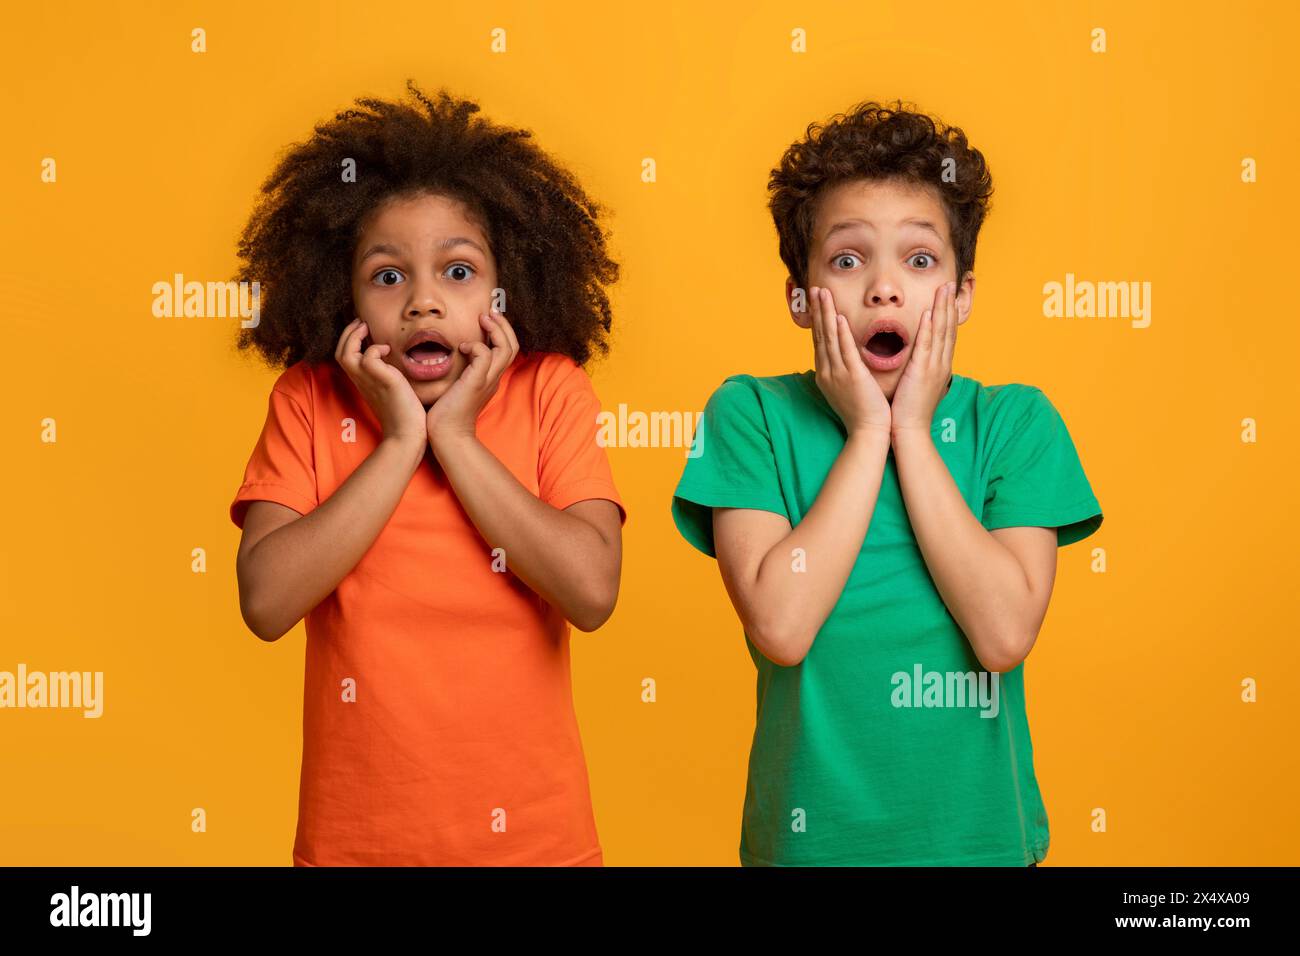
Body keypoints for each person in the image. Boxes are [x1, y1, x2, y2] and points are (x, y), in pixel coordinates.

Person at [671, 100, 1103, 866]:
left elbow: (1004, 635)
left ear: (963, 294)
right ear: (800, 296)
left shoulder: (1015, 422)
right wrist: (870, 432)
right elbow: (780, 624)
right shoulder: (752, 415)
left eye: (919, 259)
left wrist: (911, 431)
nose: (883, 289)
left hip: (984, 848)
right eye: (846, 260)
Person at [229, 81, 625, 866]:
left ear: (508, 288)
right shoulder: (309, 400)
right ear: (339, 295)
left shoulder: (550, 391)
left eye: (458, 272)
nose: (422, 304)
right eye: (386, 276)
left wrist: (459, 440)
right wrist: (400, 443)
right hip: (357, 846)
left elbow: (591, 592)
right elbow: (267, 602)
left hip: (537, 846)